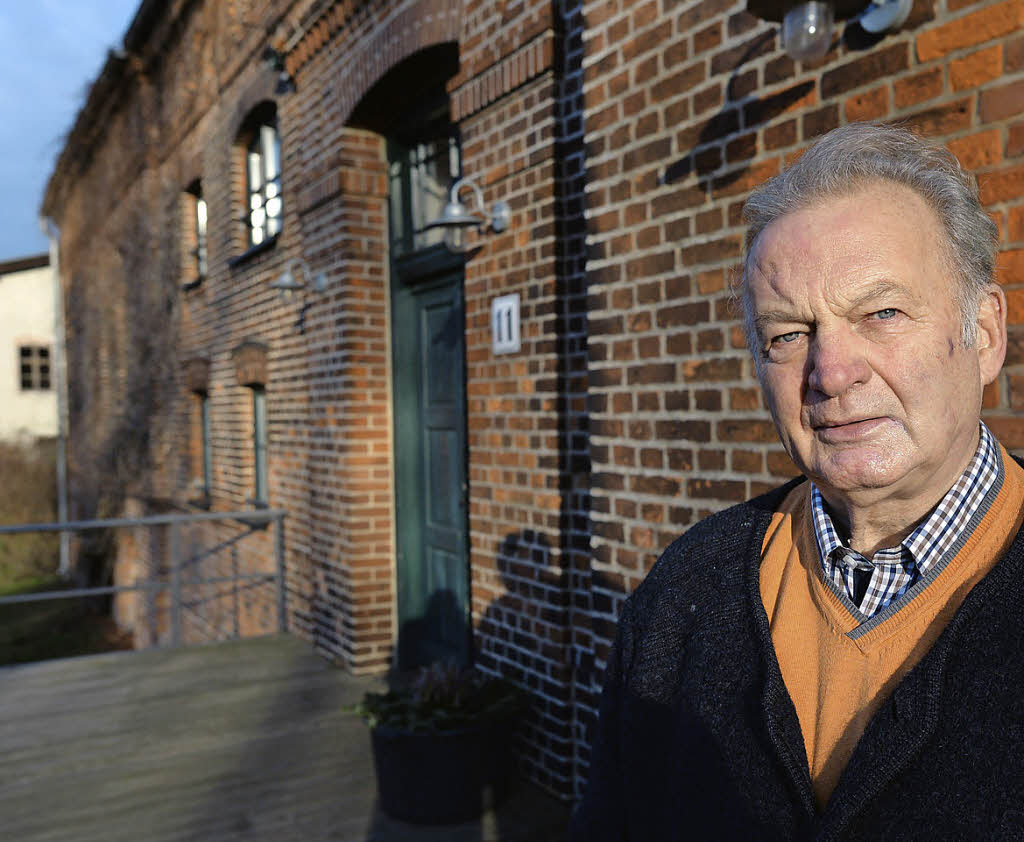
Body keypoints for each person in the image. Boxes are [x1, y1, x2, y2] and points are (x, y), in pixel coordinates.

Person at [569, 122, 1024, 840]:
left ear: (985, 334)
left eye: (881, 313)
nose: (832, 372)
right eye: (788, 335)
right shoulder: (683, 595)